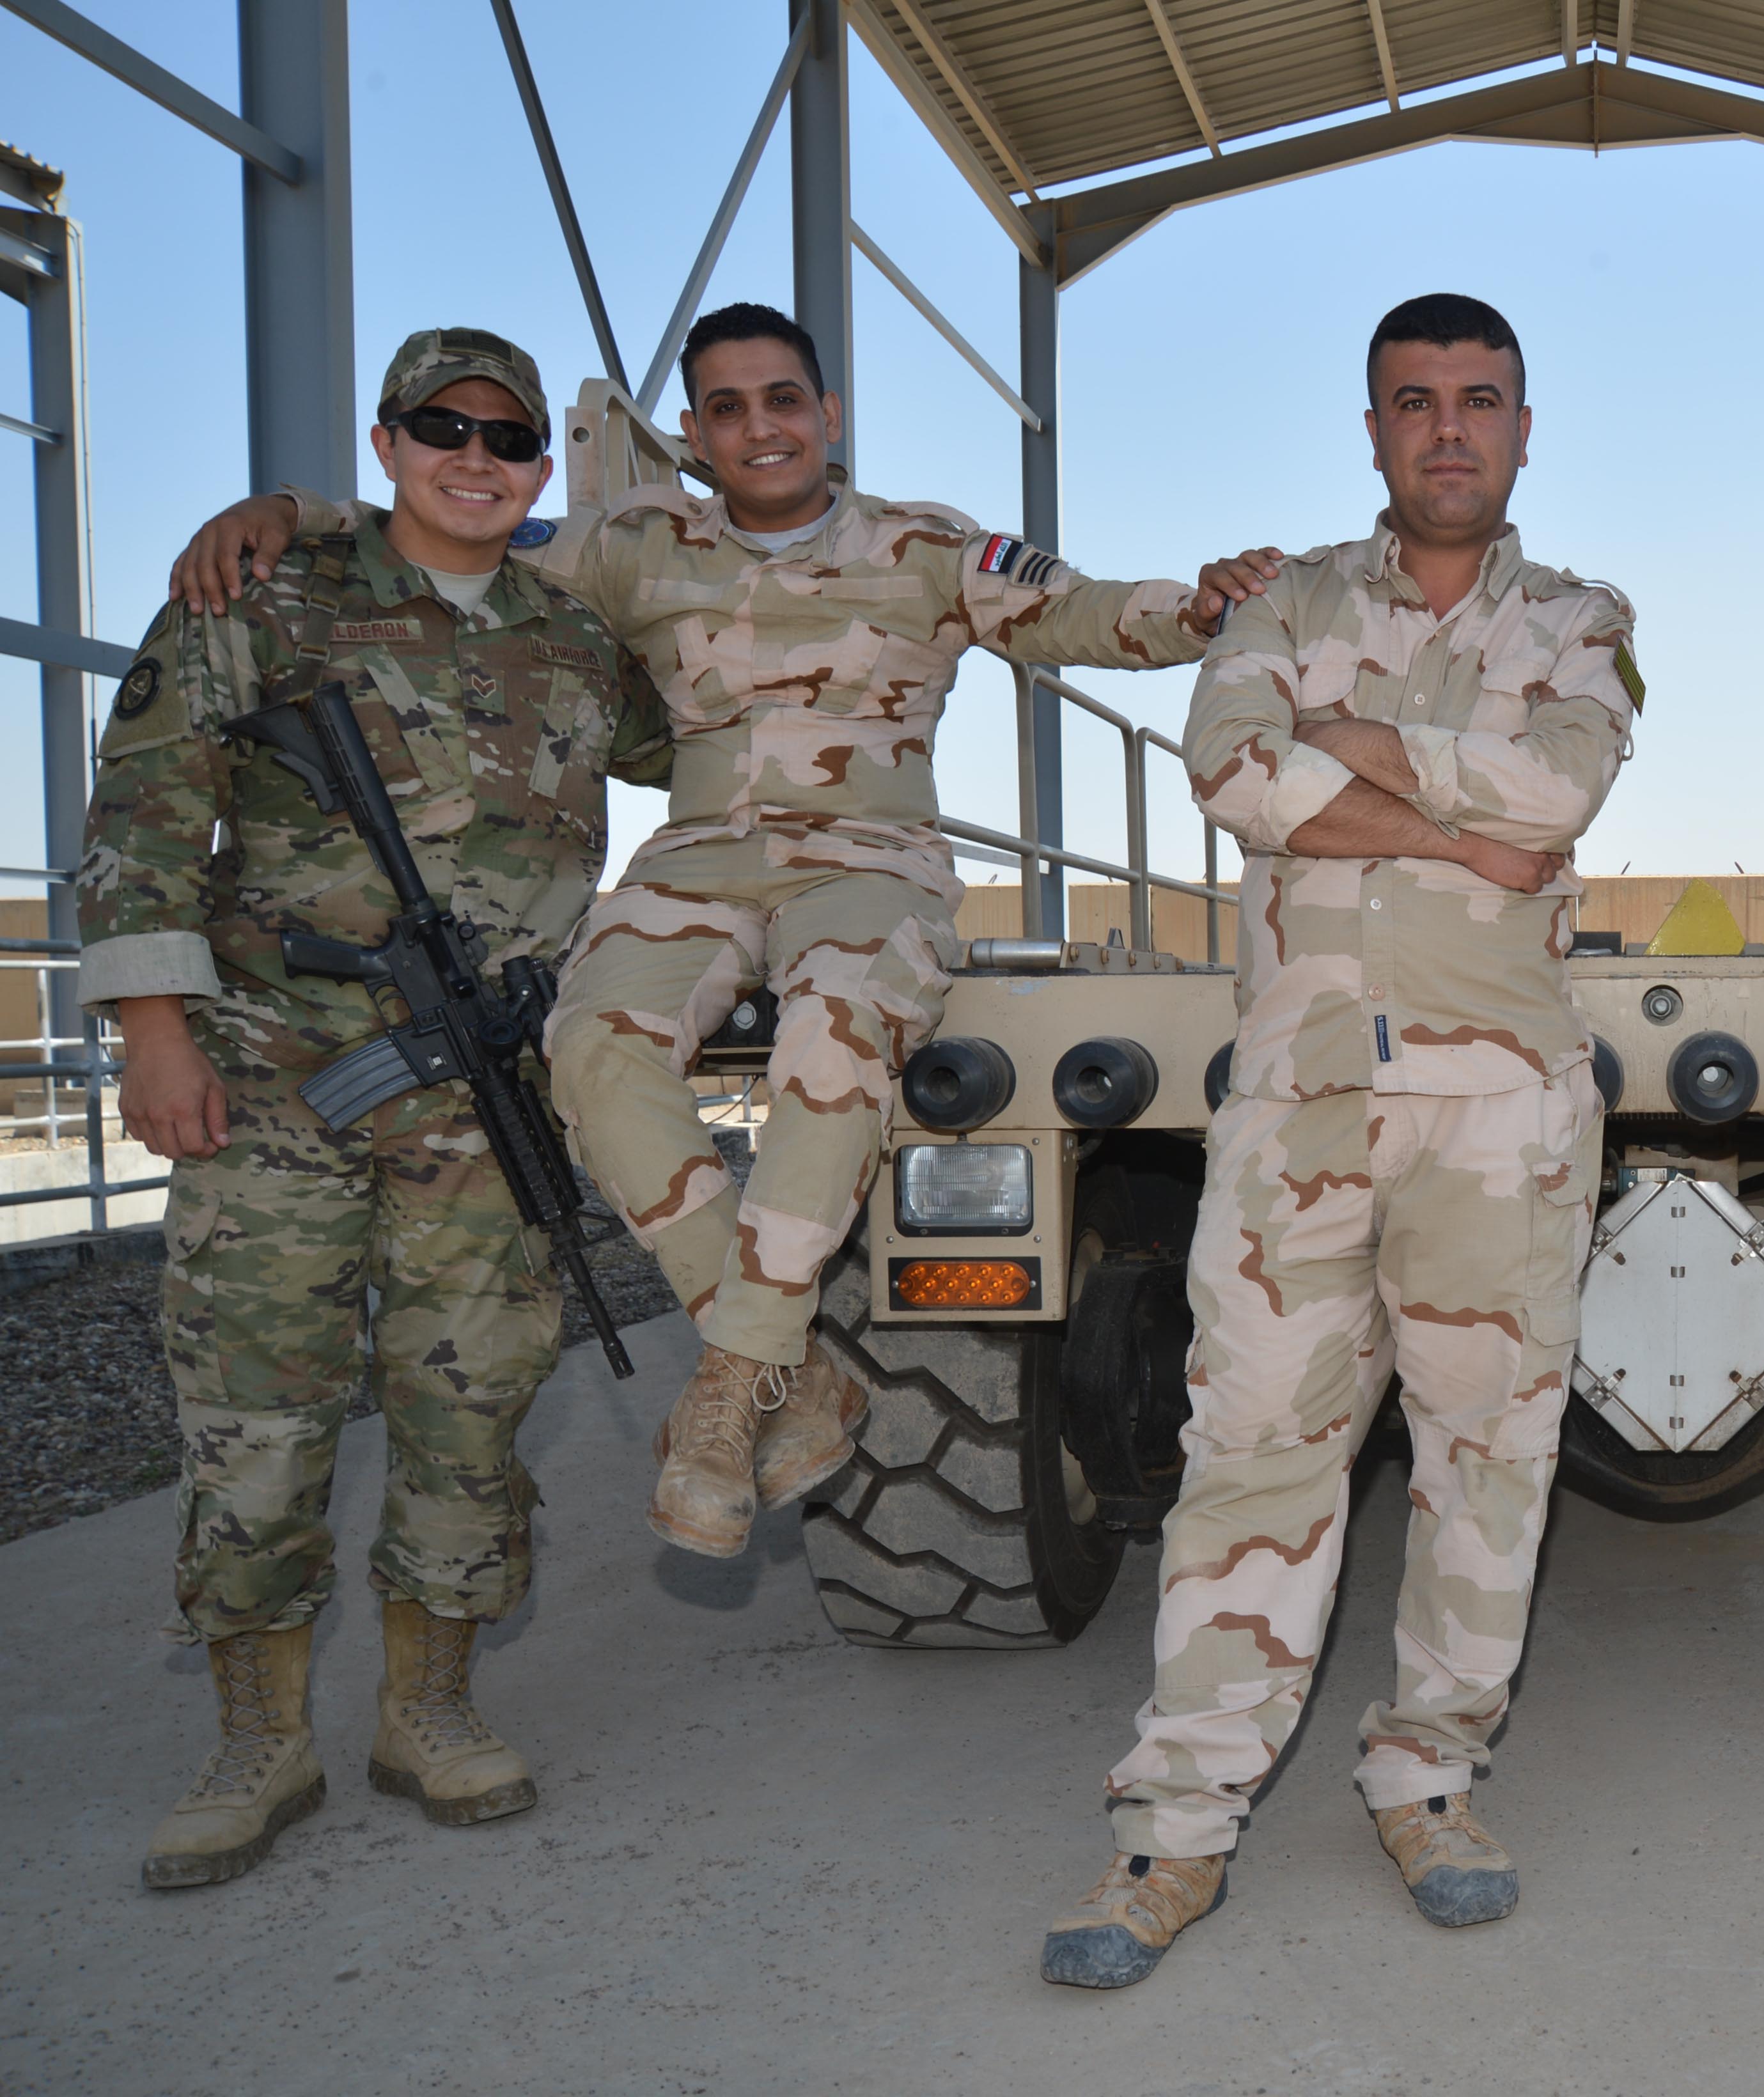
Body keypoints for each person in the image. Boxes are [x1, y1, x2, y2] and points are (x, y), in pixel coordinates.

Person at [173, 302, 1283, 1560]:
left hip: (869, 858)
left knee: (840, 1031)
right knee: (588, 1043)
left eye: (784, 400)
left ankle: (726, 1385)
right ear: (696, 433)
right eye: (731, 407)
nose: (762, 427)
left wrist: (1200, 605)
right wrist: (292, 508)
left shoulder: (926, 546)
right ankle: (793, 1371)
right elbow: (453, 530)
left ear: (828, 415)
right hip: (696, 859)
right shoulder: (633, 543)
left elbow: (1085, 613)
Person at [1038, 293, 1638, 1988]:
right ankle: (1176, 1832)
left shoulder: (1584, 618)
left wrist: (1364, 745)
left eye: (1479, 401)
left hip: (1503, 1114)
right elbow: (1227, 765)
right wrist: (1469, 807)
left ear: (1524, 427)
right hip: (1301, 1101)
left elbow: (1564, 794)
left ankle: (1428, 1778)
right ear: (1371, 429)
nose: (1447, 429)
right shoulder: (1285, 601)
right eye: (1413, 402)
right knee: (1253, 1462)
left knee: (1486, 1464)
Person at [88, 329, 674, 1887]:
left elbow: (712, 715)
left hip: (486, 1095)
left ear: (546, 466)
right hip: (275, 1072)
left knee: (471, 1404)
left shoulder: (575, 635)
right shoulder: (266, 593)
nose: (475, 457)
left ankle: (430, 1707)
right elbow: (145, 801)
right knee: (256, 1410)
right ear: (389, 437)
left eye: (511, 437)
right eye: (441, 428)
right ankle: (257, 1739)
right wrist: (153, 1028)